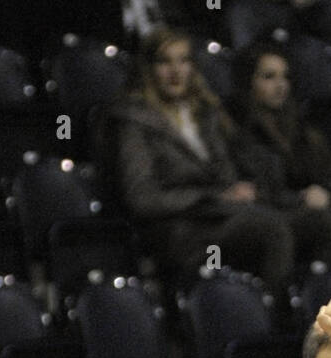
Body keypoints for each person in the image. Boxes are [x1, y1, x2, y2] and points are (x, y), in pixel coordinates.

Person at [107, 26, 294, 288]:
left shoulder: (203, 111)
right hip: (181, 230)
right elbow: (142, 199)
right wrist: (211, 197)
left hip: (223, 215)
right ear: (148, 68)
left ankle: (323, 317)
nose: (176, 71)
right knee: (272, 229)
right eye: (165, 61)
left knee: (321, 222)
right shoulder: (134, 120)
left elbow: (227, 172)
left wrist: (235, 191)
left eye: (183, 60)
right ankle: (269, 313)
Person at [230, 41, 331, 271]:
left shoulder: (299, 126)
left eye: (285, 77)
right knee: (329, 224)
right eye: (269, 77)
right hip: (271, 216)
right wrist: (302, 198)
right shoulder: (237, 130)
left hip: (304, 210)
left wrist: (329, 195)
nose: (281, 86)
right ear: (249, 81)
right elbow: (253, 191)